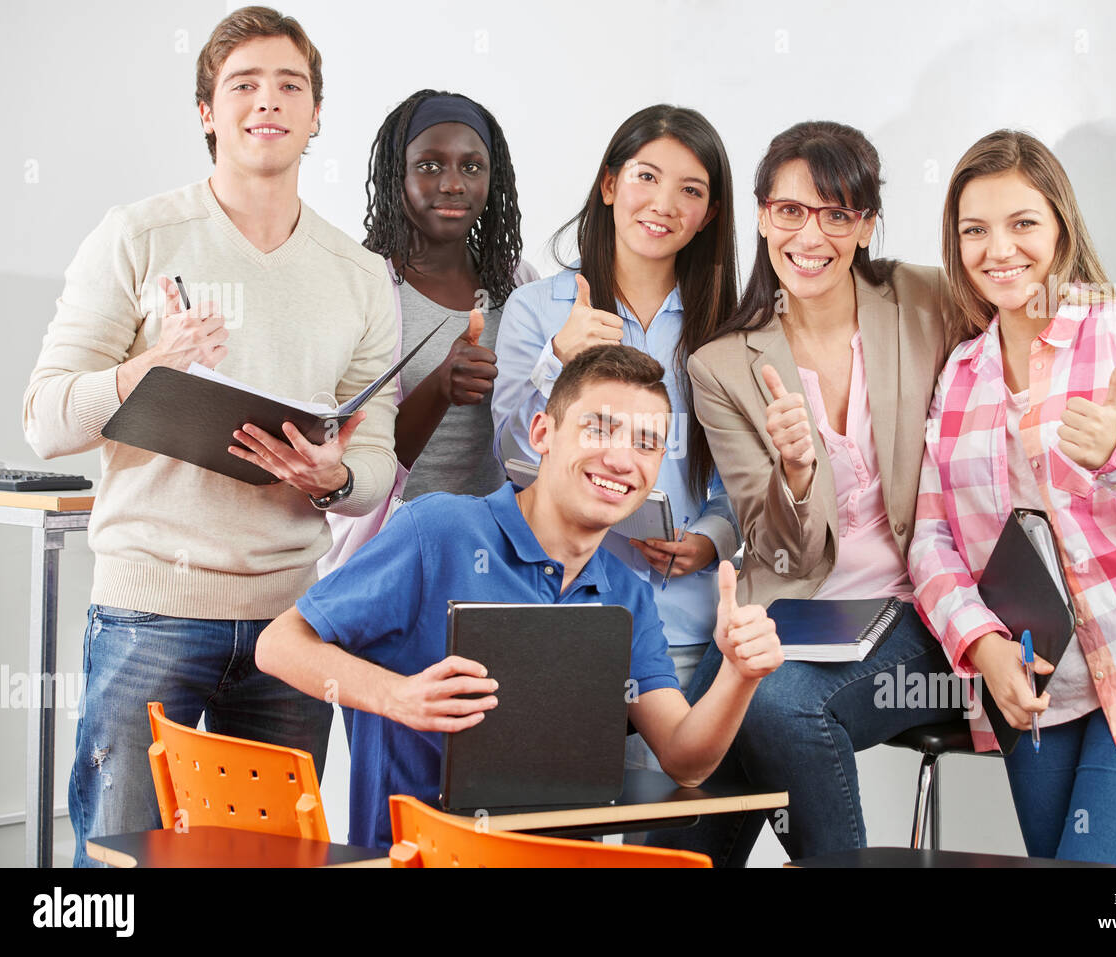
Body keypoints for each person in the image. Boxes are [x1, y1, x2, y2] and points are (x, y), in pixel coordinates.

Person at [21, 6, 398, 866]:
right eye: (243, 85)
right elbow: (43, 419)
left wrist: (333, 477)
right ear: (207, 111)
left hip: (289, 625)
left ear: (314, 115)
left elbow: (373, 461)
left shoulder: (359, 277)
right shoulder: (139, 235)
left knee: (272, 863)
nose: (268, 101)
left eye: (289, 85)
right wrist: (146, 370)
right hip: (148, 610)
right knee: (115, 869)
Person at [256, 346, 783, 848]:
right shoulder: (439, 530)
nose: (622, 459)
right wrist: (398, 697)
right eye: (598, 429)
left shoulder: (627, 596)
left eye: (646, 443)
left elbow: (684, 759)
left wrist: (738, 676)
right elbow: (279, 645)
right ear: (541, 433)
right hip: (420, 854)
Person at [909, 129, 1116, 866]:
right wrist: (981, 643)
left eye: (1022, 223)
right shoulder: (962, 372)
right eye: (975, 230)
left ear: (1061, 225)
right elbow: (930, 541)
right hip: (1037, 681)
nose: (998, 249)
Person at [649, 121, 966, 865]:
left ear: (865, 224)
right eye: (790, 211)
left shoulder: (924, 299)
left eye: (837, 213)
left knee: (779, 703)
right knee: (677, 811)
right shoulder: (723, 363)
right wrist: (795, 472)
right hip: (789, 613)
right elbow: (776, 542)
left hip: (915, 611)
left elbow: (1022, 327)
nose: (810, 235)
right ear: (762, 216)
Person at [491, 104, 741, 700]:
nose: (663, 204)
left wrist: (708, 540)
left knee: (682, 788)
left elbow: (740, 480)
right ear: (609, 184)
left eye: (690, 190)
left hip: (689, 628)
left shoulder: (730, 330)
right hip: (562, 614)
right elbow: (507, 456)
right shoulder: (539, 309)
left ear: (707, 215)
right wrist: (557, 361)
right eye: (645, 176)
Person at [319, 88, 536, 573]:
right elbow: (347, 448)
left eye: (472, 167)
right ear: (396, 175)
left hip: (492, 549)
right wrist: (440, 386)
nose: (454, 184)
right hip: (385, 550)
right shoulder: (362, 283)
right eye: (430, 166)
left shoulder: (518, 282)